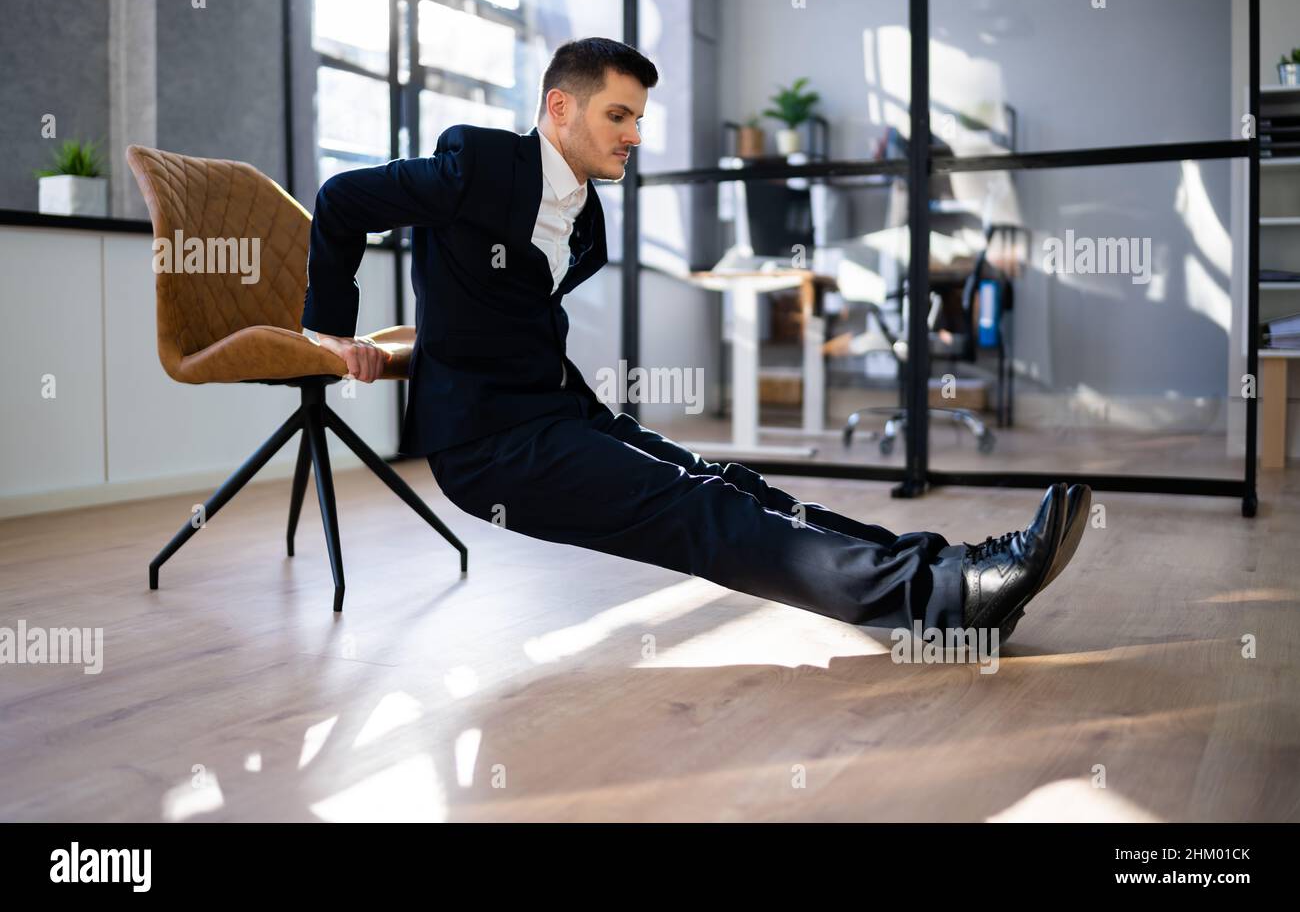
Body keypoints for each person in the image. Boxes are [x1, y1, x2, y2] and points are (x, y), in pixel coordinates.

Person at [302, 36, 1088, 643]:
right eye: (618, 115)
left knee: (733, 484)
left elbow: (490, 311)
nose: (634, 134)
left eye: (640, 119)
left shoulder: (588, 224)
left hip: (561, 415)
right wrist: (332, 334)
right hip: (490, 444)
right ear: (559, 108)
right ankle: (947, 604)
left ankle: (947, 567)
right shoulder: (475, 163)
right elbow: (341, 200)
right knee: (699, 512)